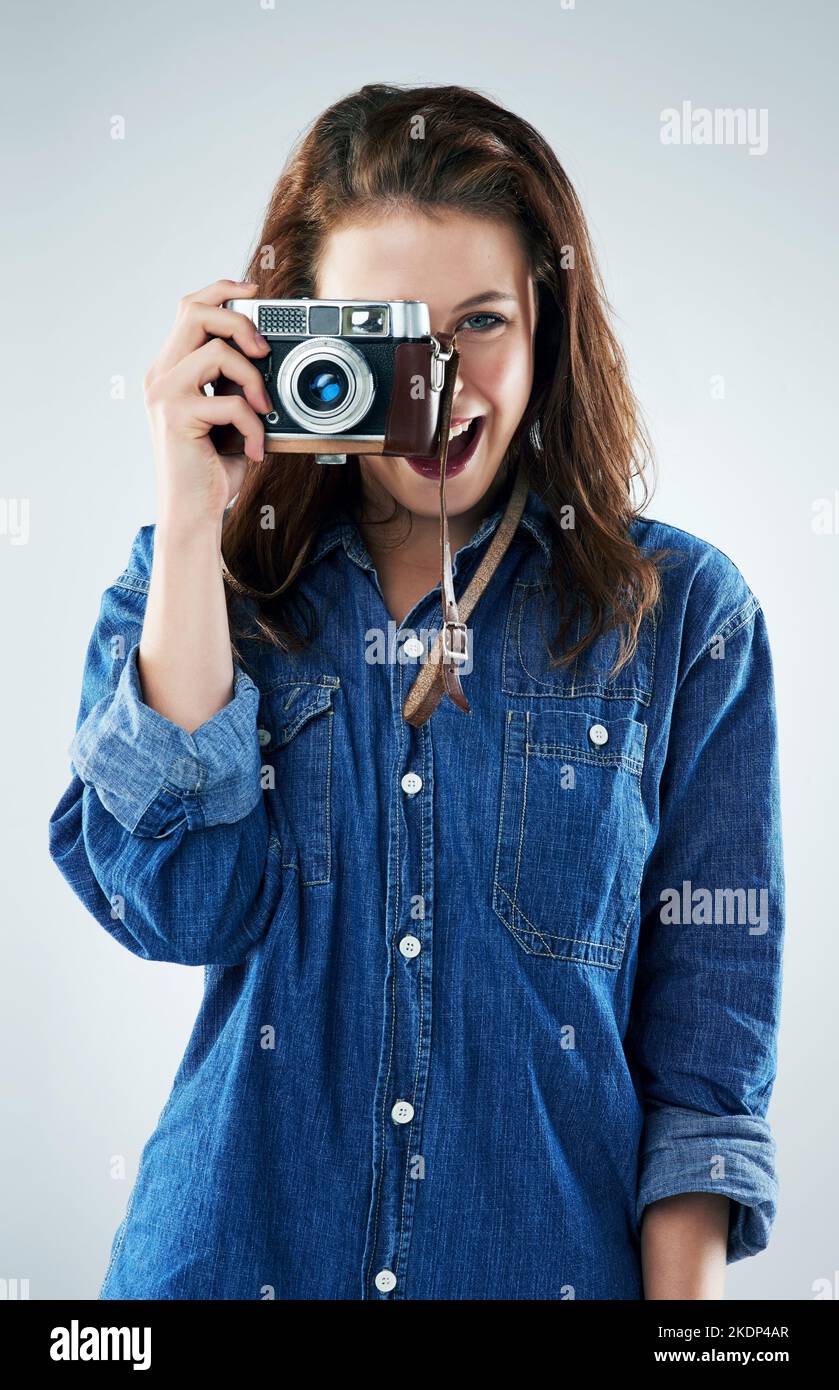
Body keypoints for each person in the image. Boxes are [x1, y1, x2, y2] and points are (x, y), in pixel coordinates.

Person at [48, 82, 784, 1301]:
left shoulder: (685, 616)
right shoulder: (191, 584)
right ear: (292, 338)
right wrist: (194, 523)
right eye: (388, 337)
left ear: (547, 323)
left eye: (480, 323)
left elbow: (705, 1055)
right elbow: (178, 908)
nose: (441, 386)